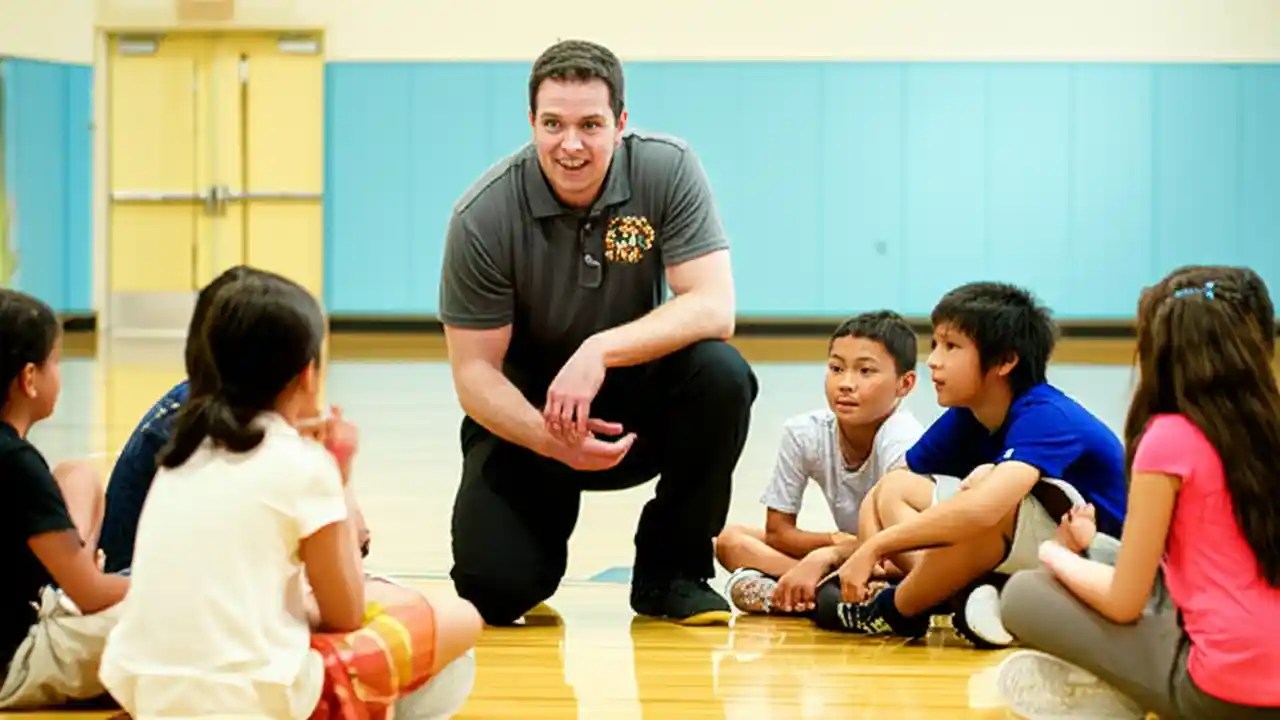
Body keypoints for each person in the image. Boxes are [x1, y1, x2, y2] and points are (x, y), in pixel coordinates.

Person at [438, 39, 757, 627]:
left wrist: (599, 349)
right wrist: (549, 437)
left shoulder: (667, 168)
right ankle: (527, 548)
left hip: (638, 404)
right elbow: (473, 373)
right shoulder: (481, 217)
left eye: (591, 124)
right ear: (531, 121)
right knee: (494, 590)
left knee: (722, 374)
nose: (572, 144)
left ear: (621, 123)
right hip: (530, 419)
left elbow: (714, 306)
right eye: (554, 124)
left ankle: (673, 573)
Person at [99, 273, 481, 718]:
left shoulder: (180, 456)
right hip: (250, 702)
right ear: (308, 374)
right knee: (458, 620)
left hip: (148, 695)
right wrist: (336, 476)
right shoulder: (302, 464)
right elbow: (346, 612)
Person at [996, 268, 1280, 719]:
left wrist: (1053, 555)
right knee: (1111, 558)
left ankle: (1115, 698)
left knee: (1023, 593)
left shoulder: (1171, 437)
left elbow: (1123, 601)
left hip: (1222, 694)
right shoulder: (1269, 428)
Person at [813, 282, 1129, 645]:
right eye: (935, 344)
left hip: (1101, 564)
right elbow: (888, 490)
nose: (933, 359)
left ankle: (893, 611)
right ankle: (945, 598)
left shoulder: (1047, 416)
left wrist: (874, 548)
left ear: (1006, 361)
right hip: (1036, 556)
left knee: (992, 505)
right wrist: (871, 558)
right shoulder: (969, 414)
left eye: (951, 346)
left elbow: (982, 511)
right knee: (895, 488)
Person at [98, 265, 370, 574]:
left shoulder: (200, 408)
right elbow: (344, 576)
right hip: (135, 587)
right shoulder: (233, 433)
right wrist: (338, 477)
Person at [715, 311, 924, 614]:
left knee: (911, 566)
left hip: (896, 555)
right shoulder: (804, 433)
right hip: (853, 552)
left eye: (865, 371)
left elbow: (902, 547)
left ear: (904, 384)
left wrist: (825, 555)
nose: (846, 383)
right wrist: (833, 544)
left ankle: (796, 591)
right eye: (837, 368)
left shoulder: (903, 438)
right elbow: (778, 532)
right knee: (730, 541)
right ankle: (822, 590)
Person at [0, 289, 129, 709]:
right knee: (175, 613)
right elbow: (91, 594)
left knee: (78, 474)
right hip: (13, 662)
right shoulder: (16, 463)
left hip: (35, 605)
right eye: (56, 361)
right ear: (29, 377)